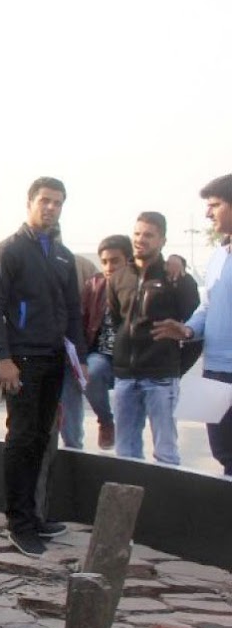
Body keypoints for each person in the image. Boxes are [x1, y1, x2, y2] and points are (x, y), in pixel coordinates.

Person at [0, 177, 84, 557]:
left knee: (42, 440)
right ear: (29, 203)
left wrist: (79, 357)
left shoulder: (62, 256)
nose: (51, 208)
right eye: (45, 201)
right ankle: (19, 524)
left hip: (55, 359)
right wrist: (2, 358)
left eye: (58, 202)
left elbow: (72, 311)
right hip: (21, 361)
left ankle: (35, 516)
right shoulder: (9, 251)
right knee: (21, 440)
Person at [154, 173, 232, 475]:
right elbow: (208, 305)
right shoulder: (218, 256)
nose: (207, 213)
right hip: (215, 370)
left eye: (215, 205)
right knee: (224, 451)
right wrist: (189, 329)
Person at [110, 212, 200, 466]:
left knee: (166, 452)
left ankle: (165, 505)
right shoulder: (118, 278)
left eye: (148, 235)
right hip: (125, 378)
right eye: (137, 233)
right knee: (125, 451)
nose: (140, 240)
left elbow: (194, 329)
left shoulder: (177, 278)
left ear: (162, 240)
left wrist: (175, 368)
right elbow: (119, 322)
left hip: (161, 378)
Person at [82, 235, 132, 451]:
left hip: (133, 358)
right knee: (91, 373)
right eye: (104, 262)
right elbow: (81, 320)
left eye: (115, 261)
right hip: (101, 354)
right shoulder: (94, 285)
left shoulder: (140, 284)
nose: (109, 267)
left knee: (130, 411)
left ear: (128, 260)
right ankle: (105, 421)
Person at [57, 242, 98, 449]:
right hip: (38, 353)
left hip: (70, 355)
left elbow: (81, 315)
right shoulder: (23, 258)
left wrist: (81, 357)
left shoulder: (80, 265)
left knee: (71, 422)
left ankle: (72, 463)